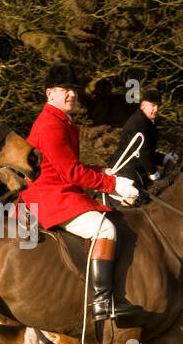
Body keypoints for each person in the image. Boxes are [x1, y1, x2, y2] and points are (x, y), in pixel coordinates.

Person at [17, 63, 144, 321]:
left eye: (74, 89)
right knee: (105, 230)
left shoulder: (60, 120)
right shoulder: (51, 124)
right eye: (65, 89)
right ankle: (101, 302)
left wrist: (104, 172)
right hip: (51, 197)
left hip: (57, 191)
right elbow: (71, 172)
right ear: (49, 93)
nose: (71, 94)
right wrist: (112, 185)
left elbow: (69, 165)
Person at [110, 88, 179, 192]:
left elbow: (146, 151)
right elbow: (143, 153)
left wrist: (163, 158)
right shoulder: (138, 123)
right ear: (143, 105)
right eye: (152, 105)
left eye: (157, 106)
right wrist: (153, 172)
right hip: (126, 172)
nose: (156, 109)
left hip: (136, 170)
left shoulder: (146, 122)